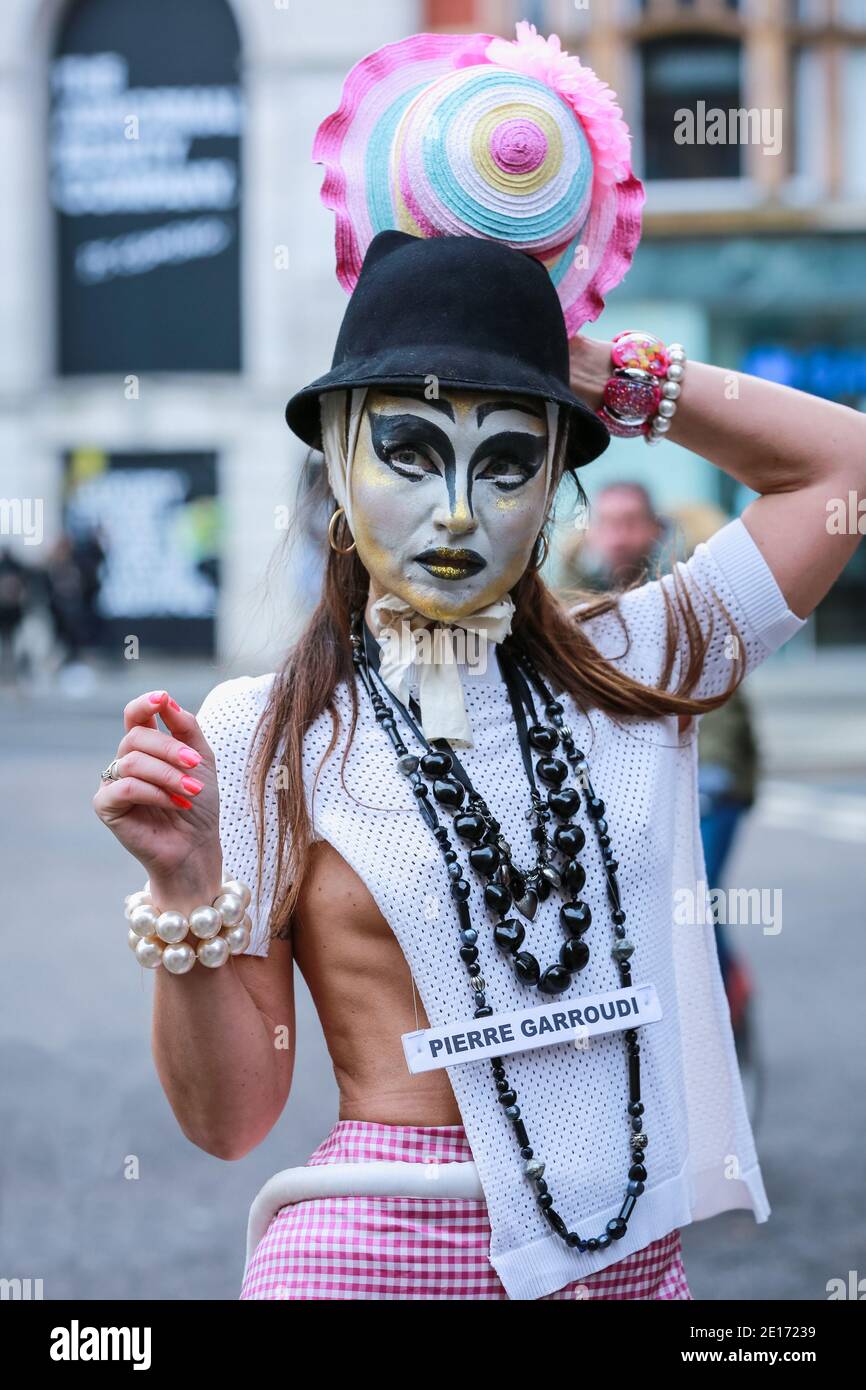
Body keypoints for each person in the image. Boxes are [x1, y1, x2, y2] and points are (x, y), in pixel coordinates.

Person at [92, 26, 866, 1302]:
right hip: (366, 1254)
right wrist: (183, 884)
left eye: (508, 461)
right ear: (337, 471)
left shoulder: (641, 656)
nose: (456, 510)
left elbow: (841, 472)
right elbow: (232, 1119)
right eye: (405, 448)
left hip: (626, 1265)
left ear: (556, 488)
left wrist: (591, 369)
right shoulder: (267, 729)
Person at [560, 490, 761, 1063]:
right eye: (608, 523)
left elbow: (718, 696)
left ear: (652, 528)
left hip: (710, 780)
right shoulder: (572, 593)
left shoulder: (688, 592)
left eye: (630, 523)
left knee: (695, 904)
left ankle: (725, 1004)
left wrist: (712, 772)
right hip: (624, 783)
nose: (619, 535)